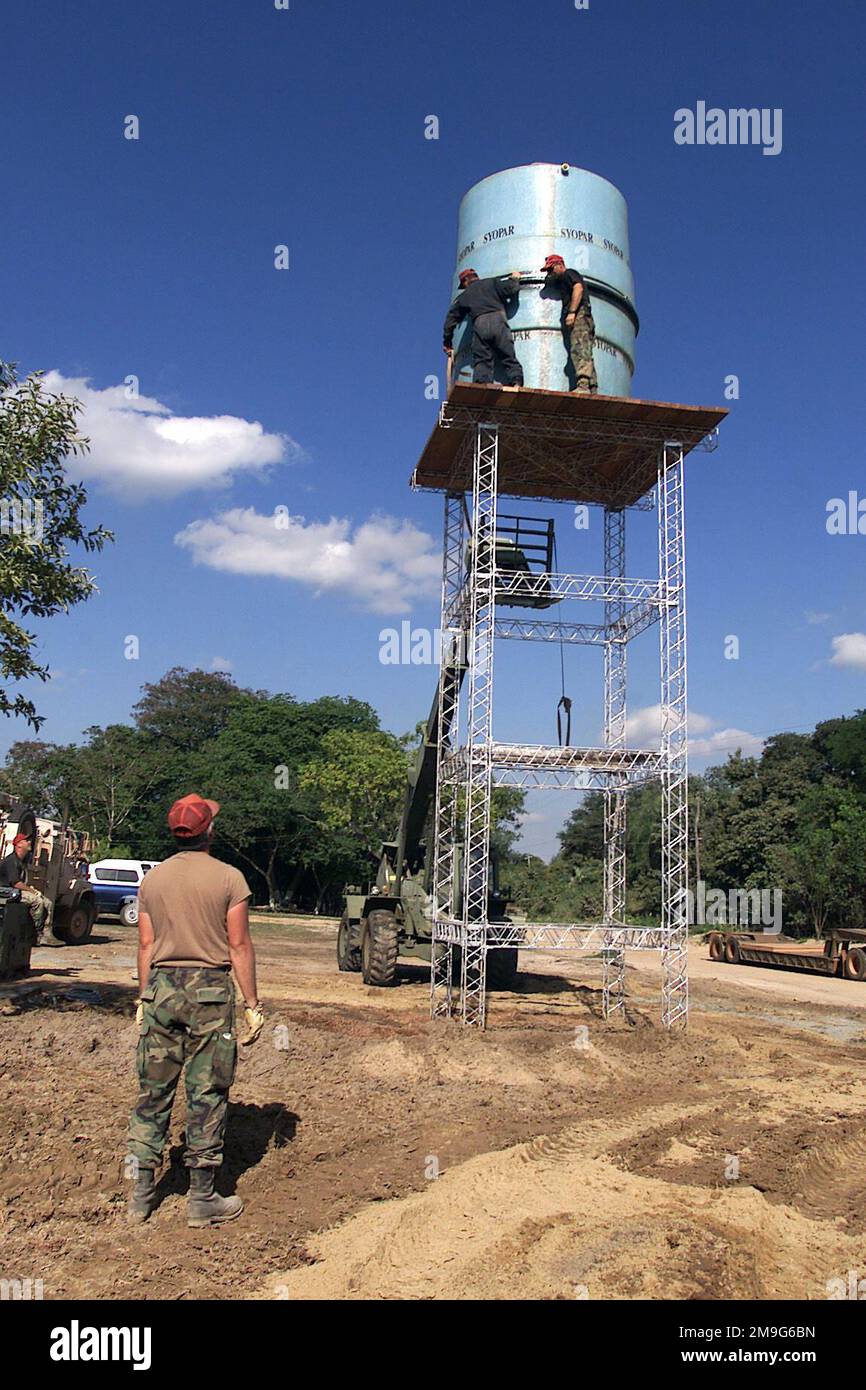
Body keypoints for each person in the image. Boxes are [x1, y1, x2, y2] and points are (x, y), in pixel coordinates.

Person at [126, 793, 264, 1227]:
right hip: (209, 993)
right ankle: (202, 1198)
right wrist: (252, 1004)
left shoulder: (152, 880)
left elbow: (145, 944)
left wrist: (143, 995)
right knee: (207, 1092)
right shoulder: (230, 879)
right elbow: (238, 945)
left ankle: (141, 1195)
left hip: (161, 990)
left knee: (153, 1092)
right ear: (210, 831)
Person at [443, 268, 524, 387]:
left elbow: (451, 320)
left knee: (482, 359)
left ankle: (482, 384)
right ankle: (516, 380)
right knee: (507, 354)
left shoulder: (465, 295)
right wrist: (515, 278)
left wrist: (447, 341)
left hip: (480, 324)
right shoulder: (492, 282)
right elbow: (511, 288)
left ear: (465, 281)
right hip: (498, 320)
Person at [541, 253, 598, 394]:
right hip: (582, 316)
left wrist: (572, 312)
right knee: (585, 349)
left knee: (579, 348)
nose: (550, 273)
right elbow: (550, 282)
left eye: (551, 269)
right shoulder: (562, 280)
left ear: (560, 265)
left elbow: (578, 288)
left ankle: (583, 385)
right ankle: (592, 387)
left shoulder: (569, 274)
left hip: (579, 315)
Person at [0, 832, 52, 939]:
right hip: (7, 891)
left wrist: (31, 889)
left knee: (48, 903)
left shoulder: (21, 861)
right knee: (37, 901)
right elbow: (16, 883)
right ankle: (35, 934)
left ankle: (46, 933)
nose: (29, 842)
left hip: (15, 890)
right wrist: (32, 891)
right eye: (25, 840)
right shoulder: (11, 861)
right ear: (18, 845)